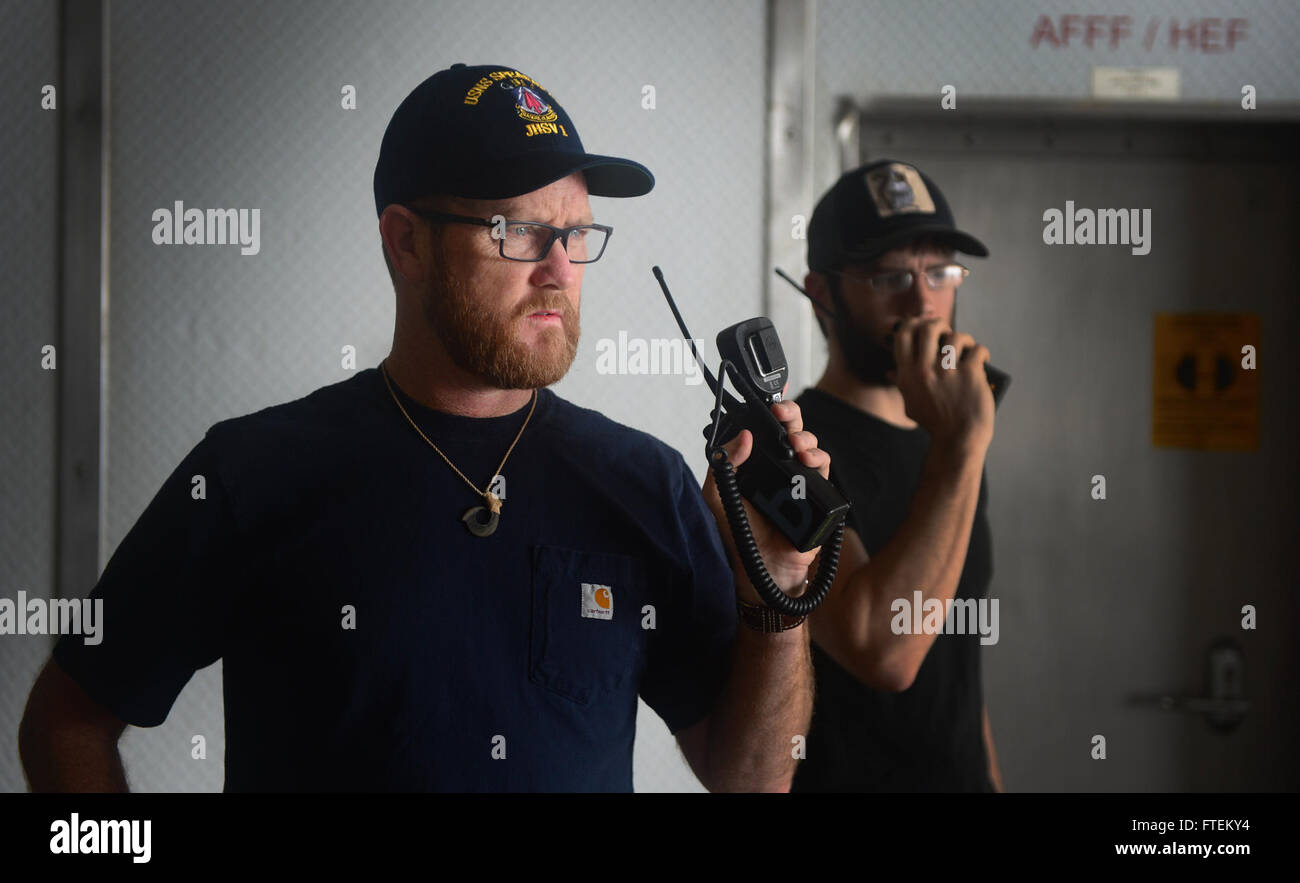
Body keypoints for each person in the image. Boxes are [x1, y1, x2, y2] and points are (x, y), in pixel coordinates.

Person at [20, 63, 832, 793]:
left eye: (576, 234)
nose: (559, 270)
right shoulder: (253, 472)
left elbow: (753, 776)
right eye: (518, 231)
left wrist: (782, 590)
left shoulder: (645, 484)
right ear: (406, 242)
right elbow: (66, 723)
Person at [790, 160, 1003, 792]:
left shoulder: (947, 437)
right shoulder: (787, 445)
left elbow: (955, 667)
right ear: (822, 294)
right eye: (890, 276)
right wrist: (963, 444)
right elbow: (884, 650)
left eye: (939, 272)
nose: (923, 302)